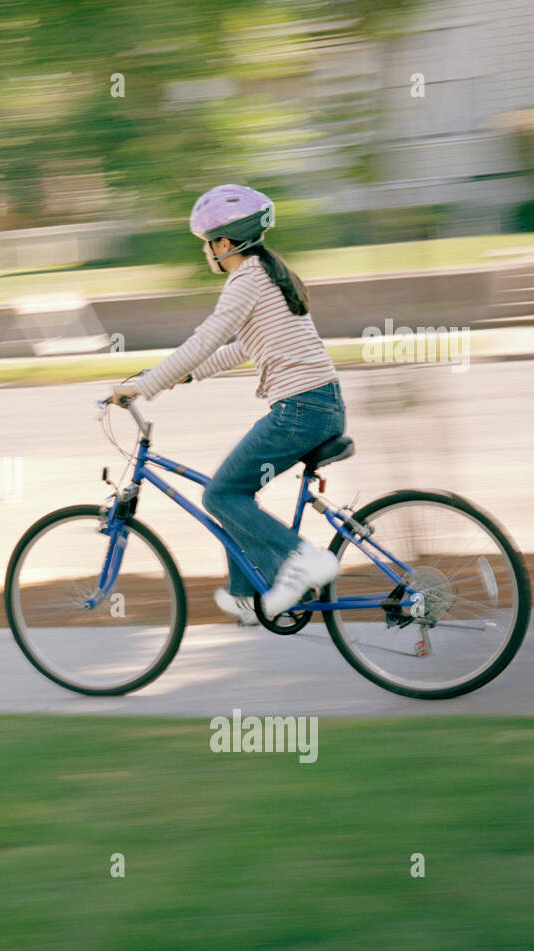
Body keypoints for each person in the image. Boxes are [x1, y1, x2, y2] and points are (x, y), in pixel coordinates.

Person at [111, 184, 345, 623]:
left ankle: (302, 560)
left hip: (300, 410)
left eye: (207, 244)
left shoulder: (247, 278)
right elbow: (239, 348)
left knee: (220, 494)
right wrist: (180, 375)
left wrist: (146, 387)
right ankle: (247, 597)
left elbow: (208, 337)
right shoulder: (269, 275)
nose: (206, 253)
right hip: (319, 405)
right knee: (234, 492)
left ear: (224, 243)